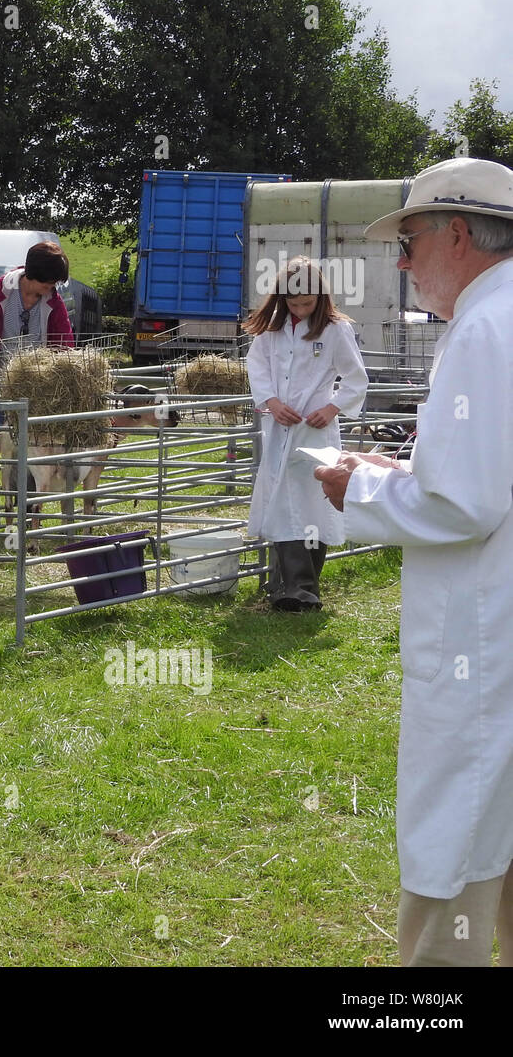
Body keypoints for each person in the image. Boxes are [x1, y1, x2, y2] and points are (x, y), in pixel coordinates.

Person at [315, 158, 513, 966]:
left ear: (459, 234)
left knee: (455, 855)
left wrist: (355, 487)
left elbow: (463, 506)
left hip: (481, 645)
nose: (402, 262)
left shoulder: (482, 330)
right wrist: (407, 472)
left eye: (410, 240)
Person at [242, 254, 367, 610]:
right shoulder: (272, 331)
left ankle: (301, 590)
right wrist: (270, 401)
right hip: (280, 428)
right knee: (282, 501)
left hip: (314, 431)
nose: (299, 309)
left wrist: (331, 408)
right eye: (293, 303)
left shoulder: (335, 330)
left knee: (311, 503)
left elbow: (356, 378)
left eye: (307, 303)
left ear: (321, 297)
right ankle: (291, 588)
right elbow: (258, 366)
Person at [0, 241, 75, 517]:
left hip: (36, 386)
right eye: (49, 282)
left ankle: (27, 503)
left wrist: (66, 373)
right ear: (33, 276)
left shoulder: (53, 302)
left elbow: (65, 342)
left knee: (31, 444)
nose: (52, 288)